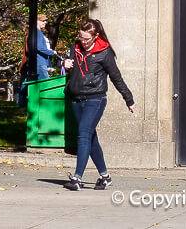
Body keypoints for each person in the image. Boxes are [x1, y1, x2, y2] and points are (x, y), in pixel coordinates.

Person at [62, 18, 134, 191]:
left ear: (96, 36)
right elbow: (67, 64)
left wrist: (128, 99)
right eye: (81, 37)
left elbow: (116, 77)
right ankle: (105, 176)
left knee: (83, 133)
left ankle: (77, 178)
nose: (83, 42)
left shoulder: (105, 52)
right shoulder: (75, 47)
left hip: (95, 99)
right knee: (90, 137)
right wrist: (65, 64)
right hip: (75, 98)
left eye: (87, 39)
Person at [34, 14, 57, 80]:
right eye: (43, 21)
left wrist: (48, 66)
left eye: (45, 21)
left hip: (41, 63)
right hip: (40, 64)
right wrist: (52, 52)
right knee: (44, 85)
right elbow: (39, 48)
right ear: (36, 21)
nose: (45, 22)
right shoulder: (37, 32)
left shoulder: (38, 32)